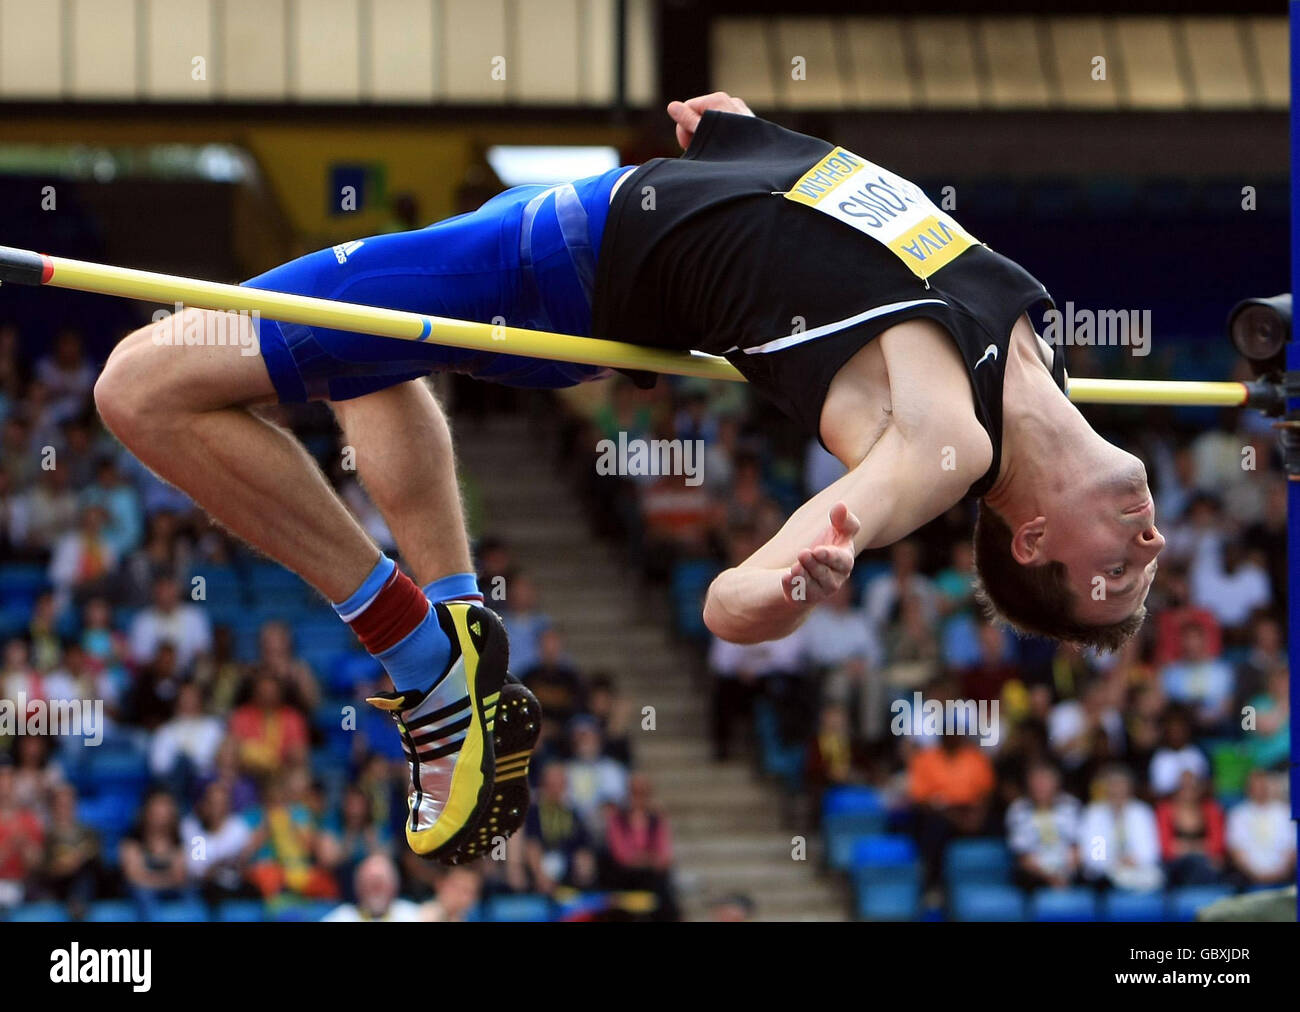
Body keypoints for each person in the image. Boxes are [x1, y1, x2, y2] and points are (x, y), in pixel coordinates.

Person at [91, 92, 1164, 862]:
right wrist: (747, 136)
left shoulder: (947, 444)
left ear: (1029, 542)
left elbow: (733, 602)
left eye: (1114, 577)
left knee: (140, 387)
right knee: (365, 360)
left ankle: (422, 655)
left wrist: (803, 561)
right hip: (601, 230)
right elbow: (855, 218)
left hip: (549, 267)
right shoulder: (1041, 342)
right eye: (1139, 572)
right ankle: (456, 628)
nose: (1151, 549)